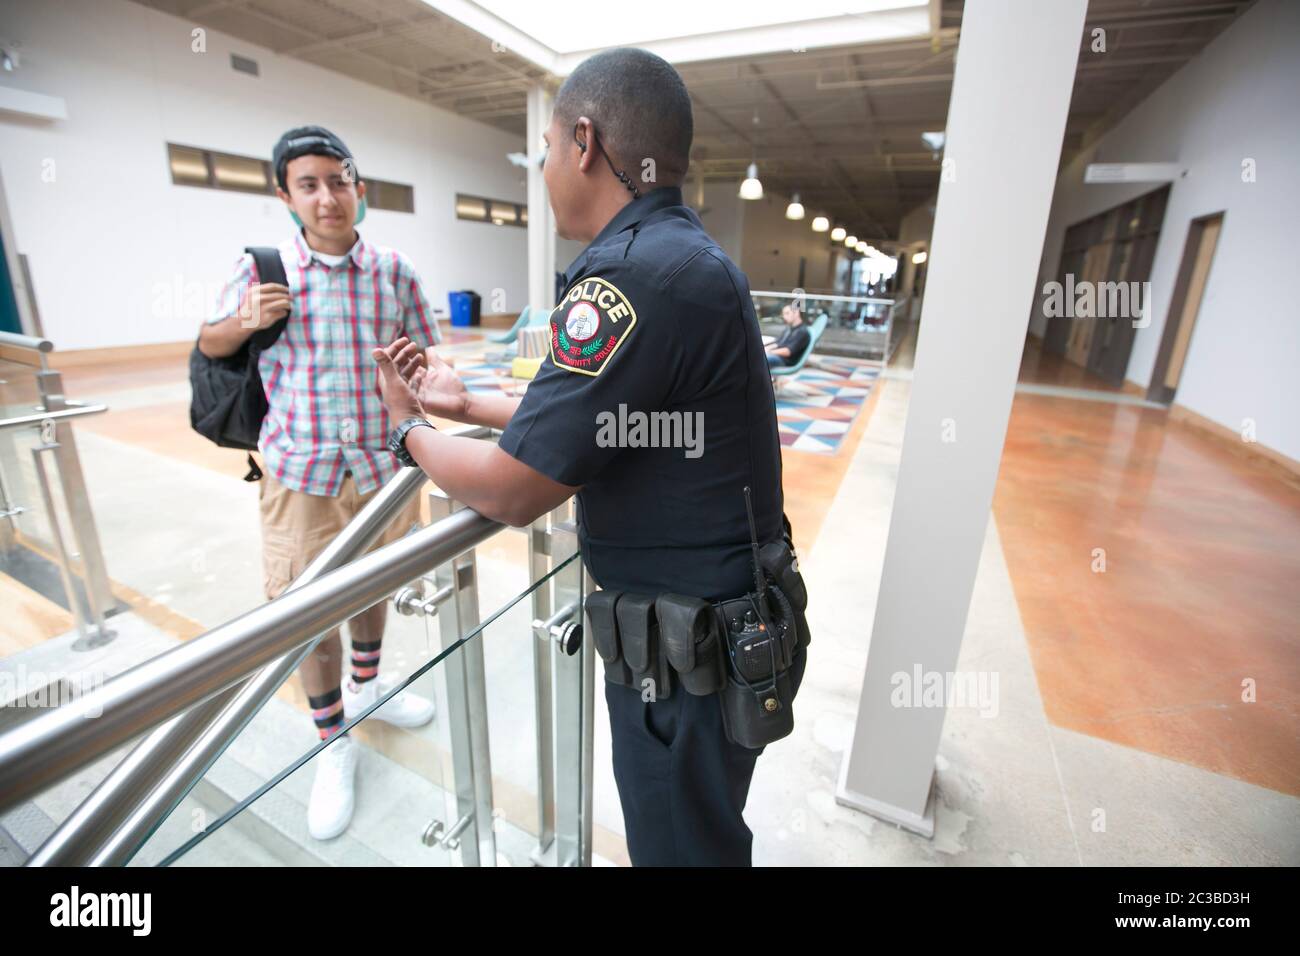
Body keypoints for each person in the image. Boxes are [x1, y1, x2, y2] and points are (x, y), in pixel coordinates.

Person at [372, 48, 807, 866]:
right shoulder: (682, 259)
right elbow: (610, 421)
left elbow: (510, 491)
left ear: (583, 141)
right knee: (705, 838)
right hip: (726, 636)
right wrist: (464, 405)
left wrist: (406, 432)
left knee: (682, 852)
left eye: (542, 149)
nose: (541, 168)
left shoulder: (630, 279)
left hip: (687, 665)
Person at [198, 126, 442, 841]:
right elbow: (208, 342)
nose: (327, 196)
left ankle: (369, 691)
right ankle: (332, 741)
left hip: (380, 469)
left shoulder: (393, 270)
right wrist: (241, 323)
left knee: (371, 590)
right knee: (306, 615)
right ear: (286, 196)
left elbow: (428, 352)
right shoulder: (263, 270)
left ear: (357, 188)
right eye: (309, 184)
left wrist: (416, 369)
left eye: (339, 180)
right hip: (298, 474)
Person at [765, 302, 811, 368]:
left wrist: (769, 352)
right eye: (783, 314)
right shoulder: (789, 328)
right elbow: (778, 343)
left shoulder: (802, 332)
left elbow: (788, 351)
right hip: (777, 356)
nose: (784, 317)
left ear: (796, 313)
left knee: (758, 360)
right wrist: (764, 349)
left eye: (787, 313)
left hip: (785, 361)